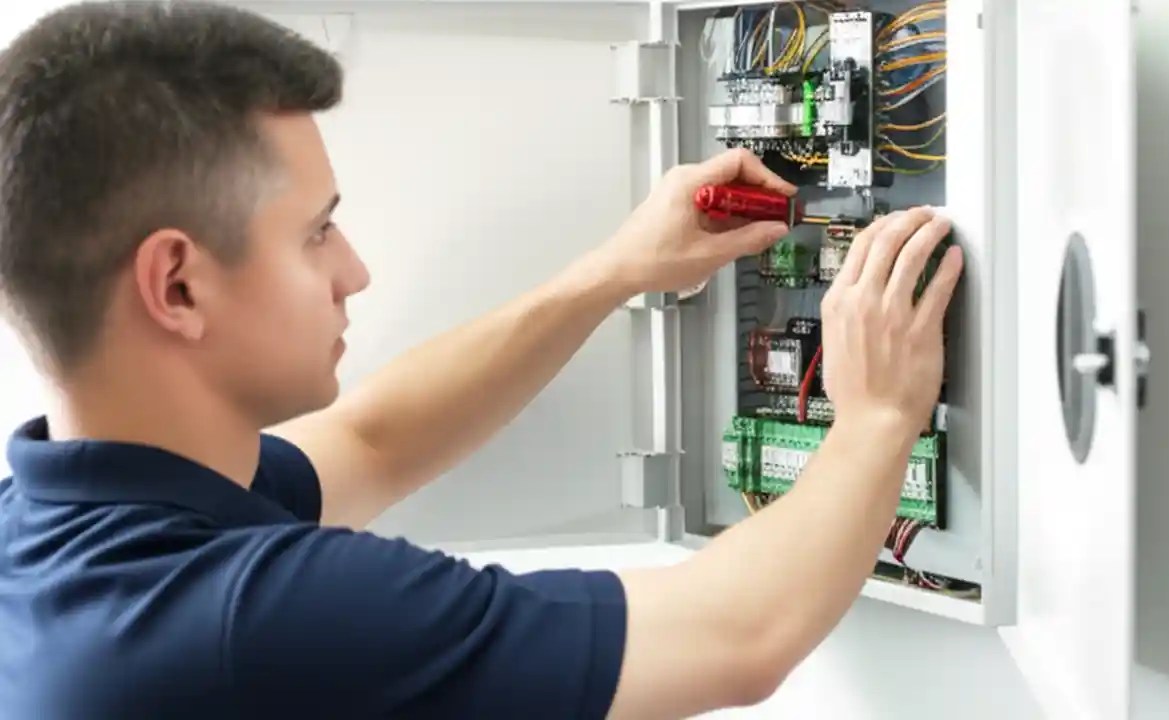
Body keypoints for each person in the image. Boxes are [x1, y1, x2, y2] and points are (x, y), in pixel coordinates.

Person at [0, 2, 962, 719]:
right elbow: (737, 635)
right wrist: (877, 416)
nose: (356, 271)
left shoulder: (53, 537)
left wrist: (614, 272)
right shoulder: (243, 620)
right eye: (317, 234)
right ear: (176, 286)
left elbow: (374, 441)